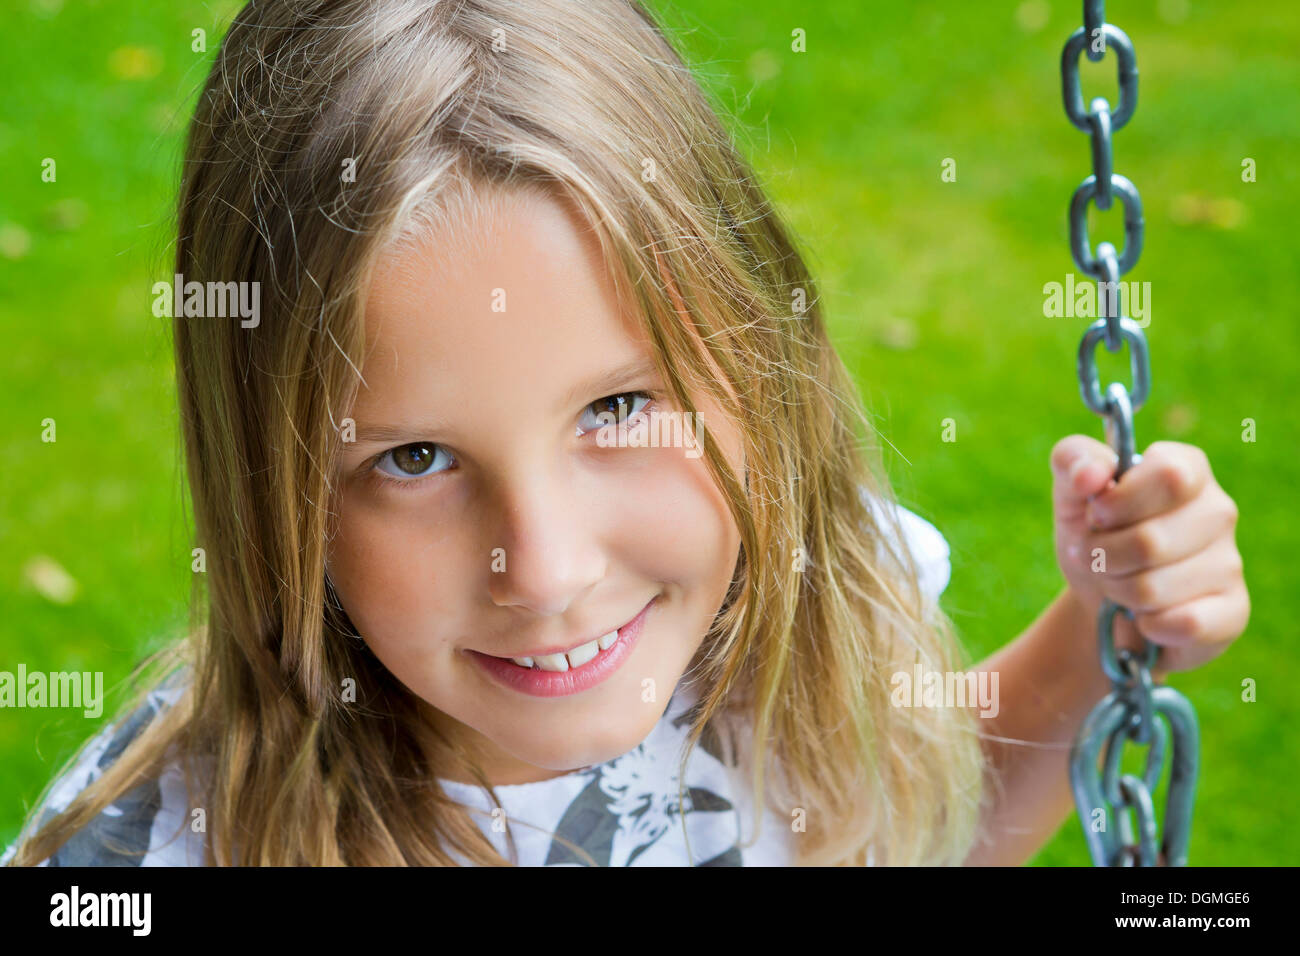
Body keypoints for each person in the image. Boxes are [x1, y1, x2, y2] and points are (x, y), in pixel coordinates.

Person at [3, 0, 1247, 867]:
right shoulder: (151, 852)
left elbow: (916, 821)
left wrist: (1098, 634)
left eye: (615, 408)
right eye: (413, 458)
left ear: (758, 362)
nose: (546, 571)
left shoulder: (791, 608)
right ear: (267, 488)